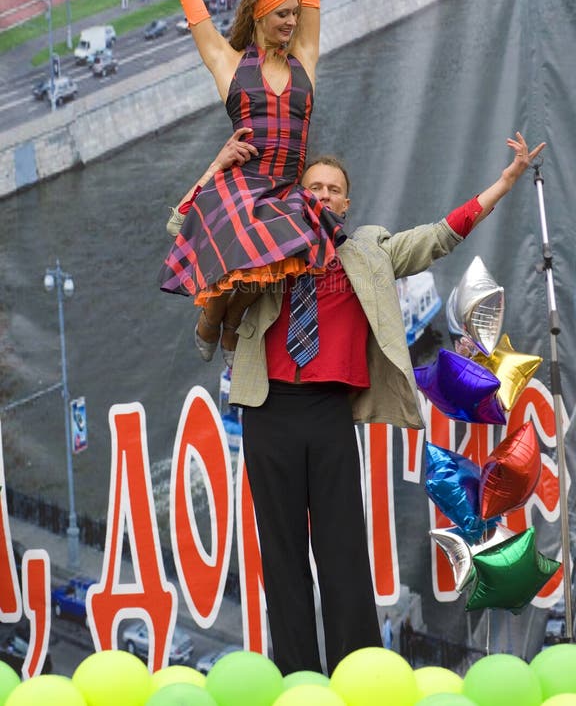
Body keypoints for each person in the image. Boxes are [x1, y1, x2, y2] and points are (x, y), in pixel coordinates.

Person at [174, 131, 545, 674]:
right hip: (267, 412)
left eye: (333, 189)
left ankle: (359, 674)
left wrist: (506, 182)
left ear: (347, 204)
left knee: (343, 551)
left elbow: (439, 236)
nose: (323, 196)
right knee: (281, 558)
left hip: (329, 415)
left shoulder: (368, 251)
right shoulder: (265, 248)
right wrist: (216, 165)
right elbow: (188, 235)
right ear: (297, 198)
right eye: (314, 188)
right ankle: (298, 677)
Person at [124, 0, 366, 367]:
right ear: (259, 15)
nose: (293, 22)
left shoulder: (305, 59)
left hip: (285, 189)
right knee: (248, 245)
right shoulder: (228, 63)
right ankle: (213, 320)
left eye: (296, 14)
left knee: (291, 244)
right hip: (242, 185)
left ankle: (227, 325)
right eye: (282, 14)